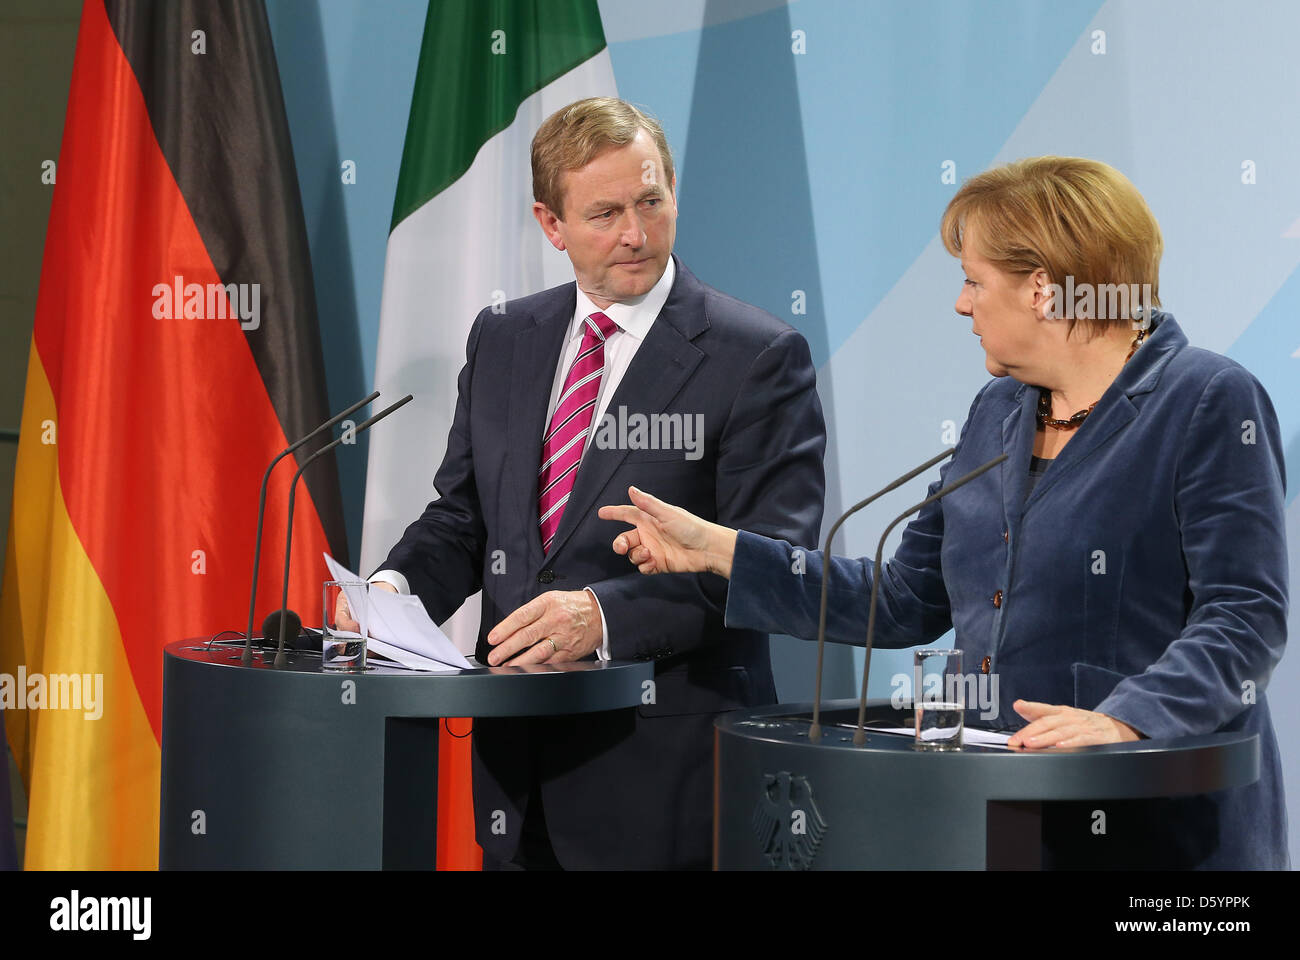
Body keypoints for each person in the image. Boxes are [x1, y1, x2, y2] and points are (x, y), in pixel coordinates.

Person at [600, 156, 1289, 869]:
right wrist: (721, 550)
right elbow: (904, 601)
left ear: (1044, 292)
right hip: (997, 821)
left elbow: (1244, 614)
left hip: (1160, 835)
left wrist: (1125, 719)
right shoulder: (998, 411)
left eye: (974, 281)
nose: (962, 305)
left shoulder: (1207, 401)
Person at [361, 98, 826, 869]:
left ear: (673, 187)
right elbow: (466, 516)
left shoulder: (757, 355)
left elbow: (772, 563)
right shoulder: (506, 335)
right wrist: (390, 595)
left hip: (666, 775)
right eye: (604, 213)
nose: (635, 234)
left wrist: (603, 619)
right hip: (515, 776)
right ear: (552, 224)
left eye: (651, 201)